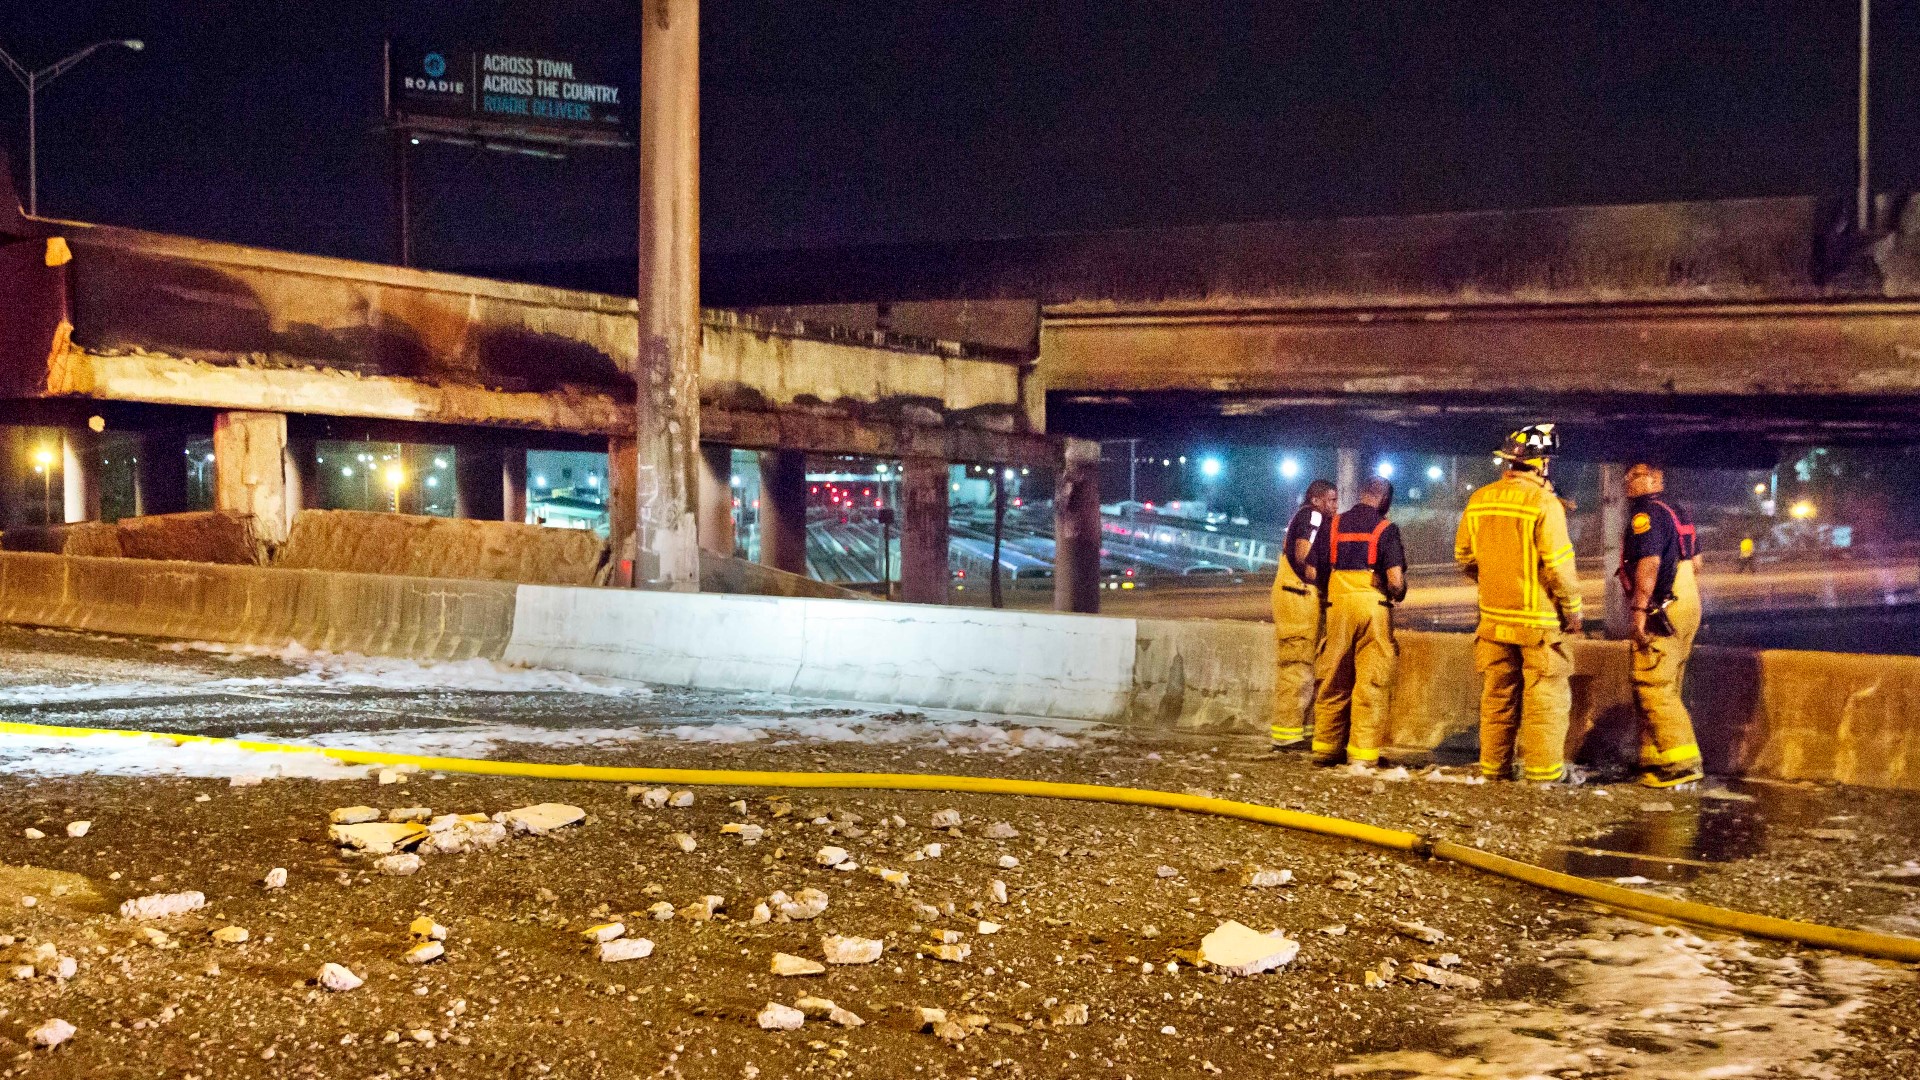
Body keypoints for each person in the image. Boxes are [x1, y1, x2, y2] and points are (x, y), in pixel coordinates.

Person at [1454, 424, 1584, 783]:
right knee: (1546, 698)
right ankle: (1543, 776)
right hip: (1537, 623)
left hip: (1493, 619)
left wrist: (1494, 584)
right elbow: (1558, 565)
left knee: (1497, 698)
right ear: (1541, 464)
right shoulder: (1544, 503)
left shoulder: (1480, 498)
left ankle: (1494, 770)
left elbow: (1464, 555)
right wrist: (1572, 610)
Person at [1310, 476, 1407, 768]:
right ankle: (1362, 756)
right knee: (1371, 682)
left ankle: (1326, 748)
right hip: (1372, 607)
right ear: (1384, 499)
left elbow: (1314, 570)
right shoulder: (1386, 529)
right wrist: (1398, 592)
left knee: (1333, 678)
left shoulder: (1333, 524)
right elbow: (1395, 581)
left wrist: (1332, 592)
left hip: (1337, 606)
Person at [1618, 462, 1705, 788]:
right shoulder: (1677, 510)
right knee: (1669, 684)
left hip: (1663, 605)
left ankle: (1683, 766)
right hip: (1688, 602)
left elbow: (1650, 563)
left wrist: (1640, 610)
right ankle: (1655, 764)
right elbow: (1697, 562)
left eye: (1636, 476)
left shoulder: (1647, 516)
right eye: (1628, 476)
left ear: (1655, 478)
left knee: (1651, 684)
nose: (1628, 481)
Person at [1271, 480, 1337, 749]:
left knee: (1308, 664)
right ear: (1318, 499)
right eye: (1332, 500)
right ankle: (1286, 736)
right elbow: (1303, 555)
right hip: (1298, 596)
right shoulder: (1313, 515)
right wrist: (1318, 577)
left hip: (1298, 596)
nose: (1335, 506)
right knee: (1296, 664)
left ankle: (1304, 730)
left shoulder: (1307, 515)